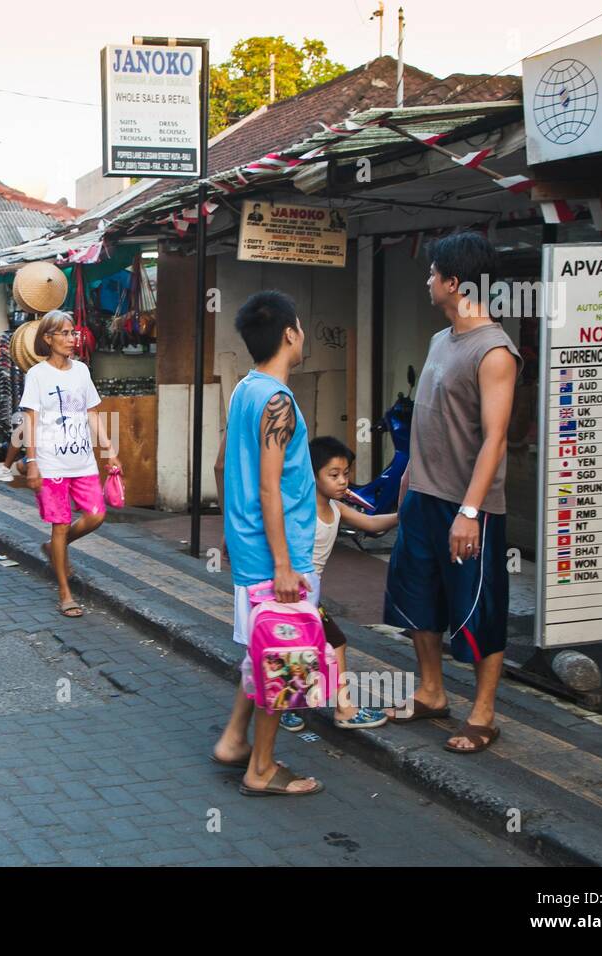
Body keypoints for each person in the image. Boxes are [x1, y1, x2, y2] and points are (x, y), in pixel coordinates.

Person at [383, 232, 520, 754]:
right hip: (423, 494)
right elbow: (430, 418)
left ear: (454, 283)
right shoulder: (441, 340)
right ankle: (432, 691)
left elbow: (495, 438)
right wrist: (408, 476)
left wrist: (469, 511)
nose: (427, 281)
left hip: (470, 506)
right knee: (418, 598)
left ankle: (483, 713)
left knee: (479, 607)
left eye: (432, 272)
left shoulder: (494, 351)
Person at [211, 290, 322, 797]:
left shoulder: (243, 391)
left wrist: (231, 533)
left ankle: (235, 740)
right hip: (281, 554)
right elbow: (269, 486)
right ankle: (262, 767)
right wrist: (283, 563)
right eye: (300, 327)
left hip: (251, 545)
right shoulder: (277, 400)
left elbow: (221, 466)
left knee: (263, 650)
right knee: (285, 656)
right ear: (289, 333)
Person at [20, 310, 118, 618]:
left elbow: (92, 413)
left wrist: (109, 449)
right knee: (59, 525)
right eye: (63, 333)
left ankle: (55, 548)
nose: (71, 338)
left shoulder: (82, 372)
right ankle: (65, 592)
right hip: (51, 464)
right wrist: (32, 461)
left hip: (83, 461)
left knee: (96, 515)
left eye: (72, 332)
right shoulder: (37, 375)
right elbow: (30, 420)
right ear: (48, 339)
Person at [299, 435, 397, 732]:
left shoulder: (337, 508)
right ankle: (343, 709)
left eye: (346, 474)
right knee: (331, 643)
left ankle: (293, 709)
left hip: (310, 597)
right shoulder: (301, 510)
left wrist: (406, 515)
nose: (343, 481)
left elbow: (372, 524)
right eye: (333, 475)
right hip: (296, 596)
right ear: (312, 475)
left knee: (308, 650)